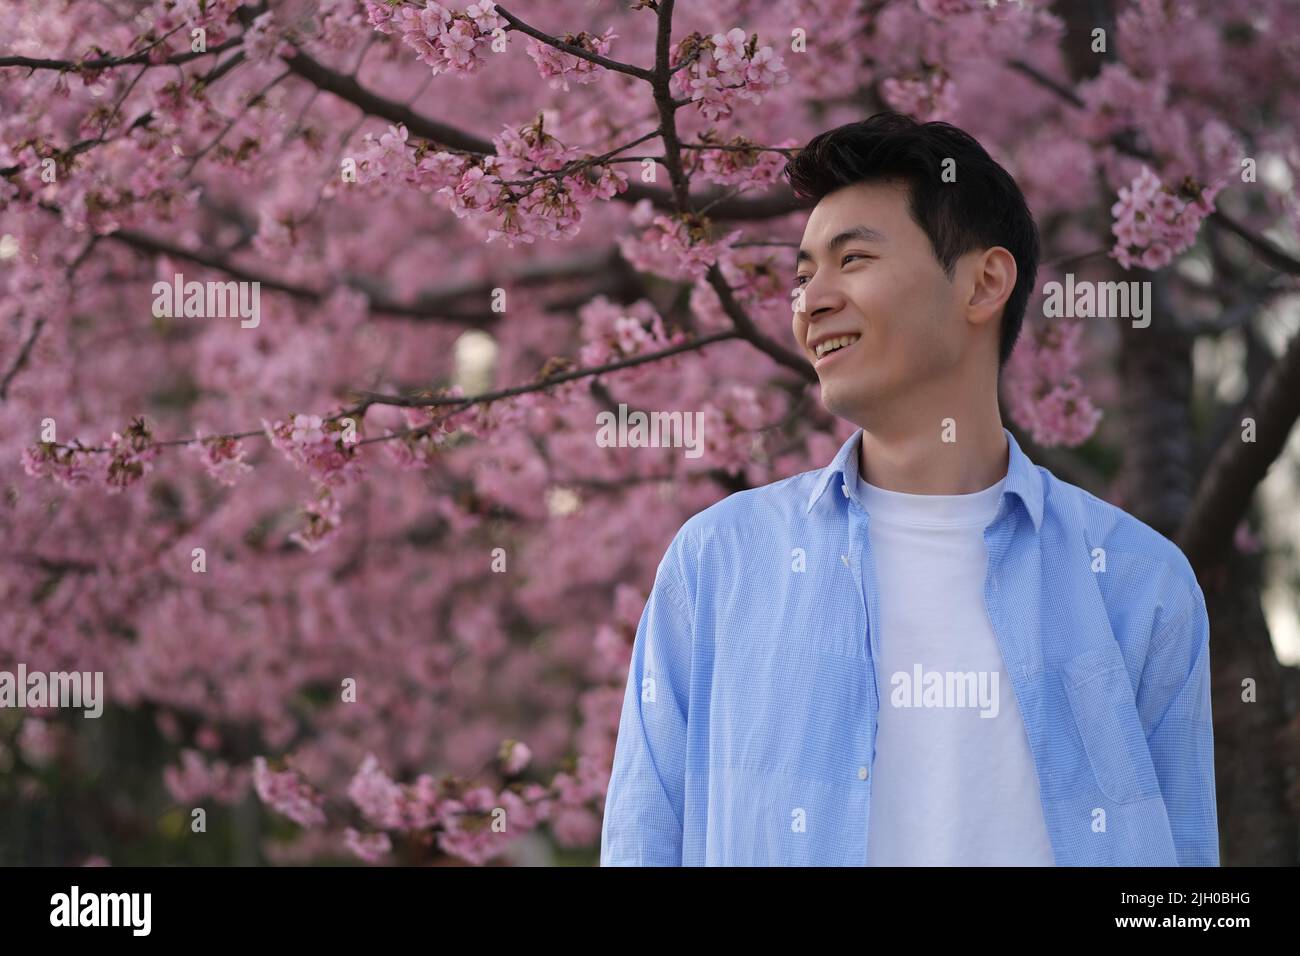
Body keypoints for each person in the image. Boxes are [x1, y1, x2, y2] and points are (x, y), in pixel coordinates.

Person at [599, 111, 1218, 867]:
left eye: (852, 259)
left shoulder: (1136, 581)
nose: (811, 302)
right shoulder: (718, 565)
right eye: (801, 277)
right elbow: (641, 840)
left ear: (985, 283)